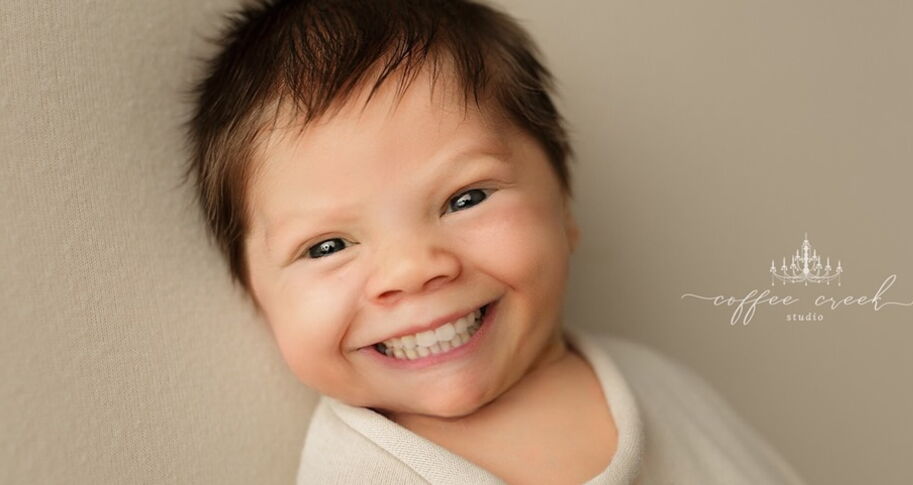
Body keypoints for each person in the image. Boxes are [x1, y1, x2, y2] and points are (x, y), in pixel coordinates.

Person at [182, 0, 807, 483]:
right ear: (257, 295)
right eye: (327, 247)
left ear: (563, 207)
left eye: (466, 199)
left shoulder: (667, 389)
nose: (412, 268)